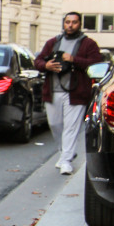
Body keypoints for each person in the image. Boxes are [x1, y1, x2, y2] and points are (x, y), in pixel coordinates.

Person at [34, 12, 103, 175]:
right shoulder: (53, 43)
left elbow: (96, 64)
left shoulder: (88, 44)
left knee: (71, 128)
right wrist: (46, 65)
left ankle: (66, 161)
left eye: (74, 22)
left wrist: (73, 59)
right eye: (67, 22)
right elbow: (37, 61)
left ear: (80, 24)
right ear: (63, 24)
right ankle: (66, 152)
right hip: (53, 90)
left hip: (76, 93)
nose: (70, 25)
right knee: (55, 124)